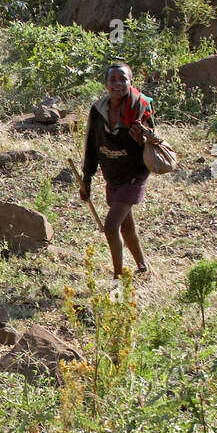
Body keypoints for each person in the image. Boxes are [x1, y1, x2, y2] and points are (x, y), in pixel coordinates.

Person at [79, 61, 157, 280]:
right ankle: (143, 267)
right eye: (112, 79)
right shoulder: (98, 110)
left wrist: (141, 139)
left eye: (122, 79)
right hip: (112, 175)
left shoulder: (140, 107)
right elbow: (92, 145)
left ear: (130, 82)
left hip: (134, 174)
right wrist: (87, 179)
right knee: (126, 226)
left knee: (111, 226)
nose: (117, 83)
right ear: (106, 84)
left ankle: (118, 277)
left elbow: (153, 141)